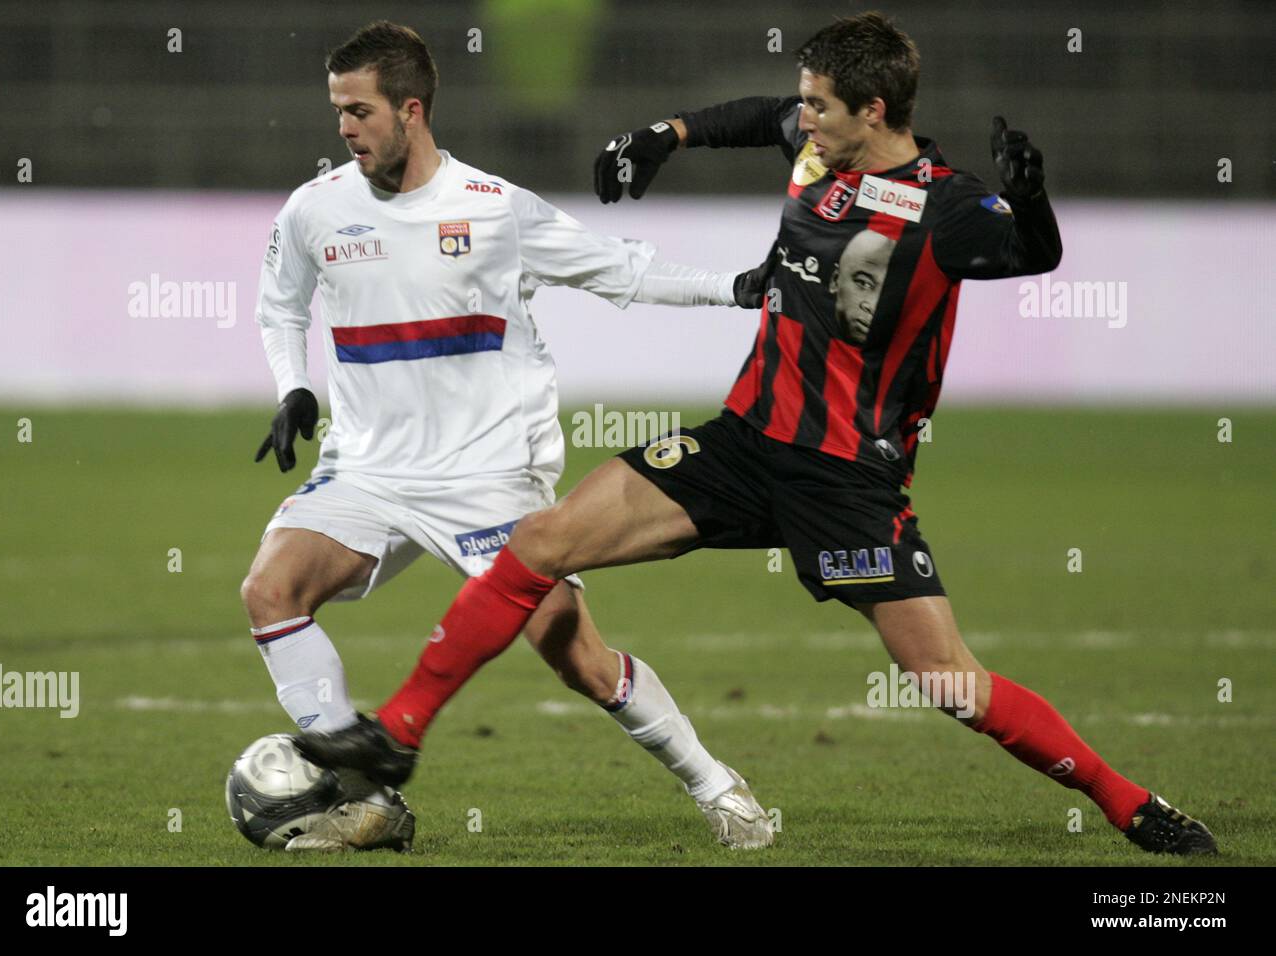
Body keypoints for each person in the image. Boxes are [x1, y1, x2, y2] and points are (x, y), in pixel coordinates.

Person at [297, 12, 1217, 856]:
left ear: (875, 109)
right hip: (741, 448)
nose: (801, 119)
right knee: (540, 543)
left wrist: (1036, 198)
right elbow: (754, 115)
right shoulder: (820, 146)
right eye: (804, 102)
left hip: (846, 482)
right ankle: (402, 732)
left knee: (945, 680)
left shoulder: (947, 207)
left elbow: (1033, 253)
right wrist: (665, 136)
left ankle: (1129, 804)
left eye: (818, 105)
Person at [247, 20, 776, 852]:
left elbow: (621, 269)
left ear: (411, 109)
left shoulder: (493, 210)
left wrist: (735, 286)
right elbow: (279, 305)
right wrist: (295, 387)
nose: (343, 128)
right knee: (270, 592)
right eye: (336, 109)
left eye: (359, 111)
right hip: (370, 470)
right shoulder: (316, 209)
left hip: (488, 477)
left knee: (578, 660)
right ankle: (367, 795)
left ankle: (720, 787)